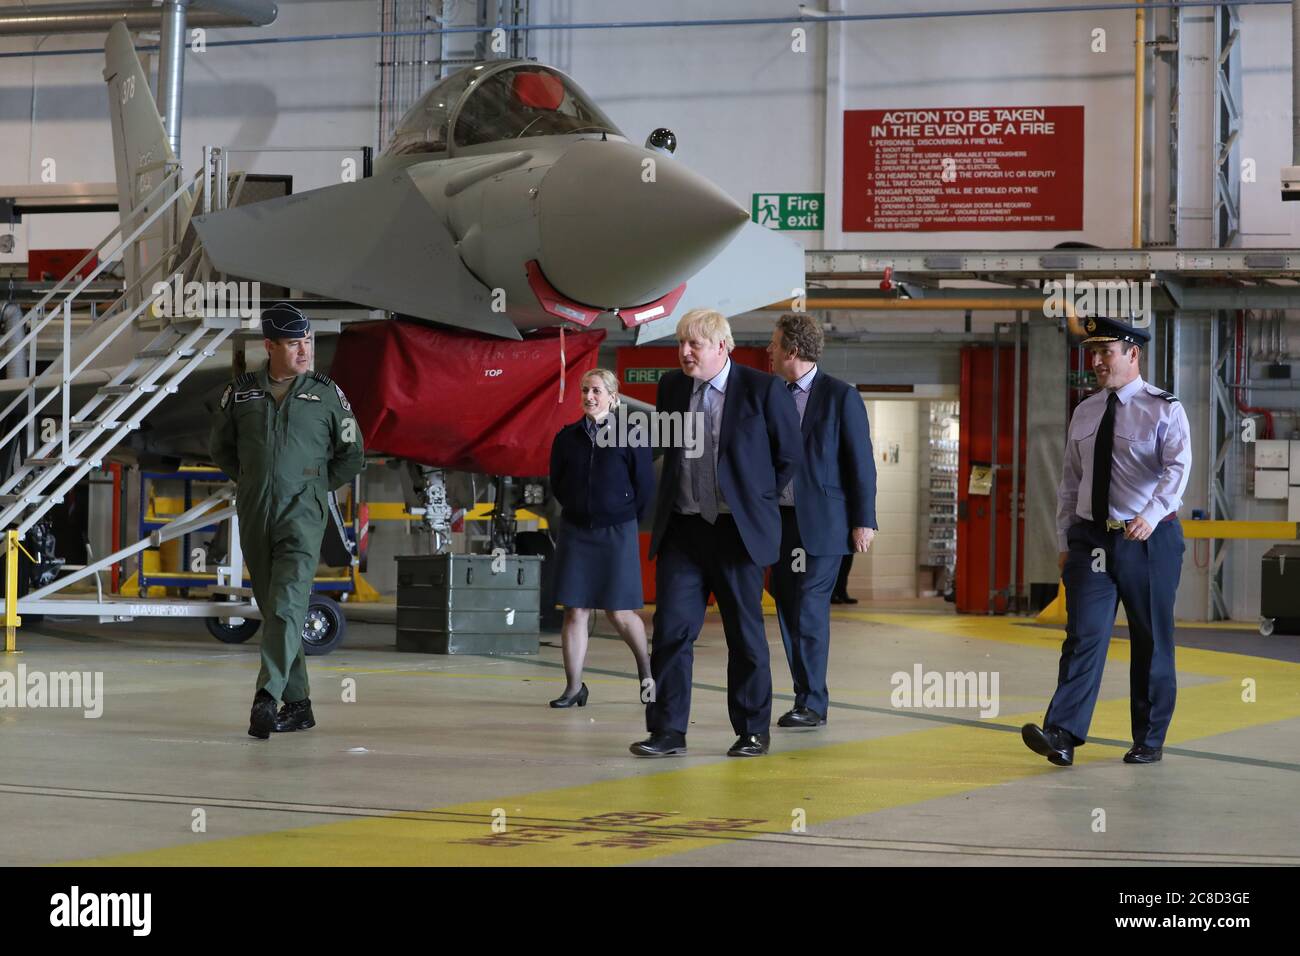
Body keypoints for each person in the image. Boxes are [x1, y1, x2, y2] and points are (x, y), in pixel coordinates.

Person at [630, 309, 802, 758]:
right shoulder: (671, 388)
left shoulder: (763, 390)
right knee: (670, 632)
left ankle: (751, 731)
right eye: (681, 344)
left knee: (744, 636)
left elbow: (789, 457)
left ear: (721, 347)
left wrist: (754, 499)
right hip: (684, 529)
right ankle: (667, 731)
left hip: (736, 532)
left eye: (695, 345)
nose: (685, 352)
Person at [1022, 316, 1190, 767]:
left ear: (1133, 354)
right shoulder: (1086, 410)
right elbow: (1070, 482)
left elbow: (1177, 469)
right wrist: (1064, 538)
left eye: (1106, 352)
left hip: (1147, 540)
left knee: (1150, 639)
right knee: (1083, 635)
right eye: (1093, 353)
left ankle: (1149, 738)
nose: (1096, 361)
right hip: (1091, 539)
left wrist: (1150, 516)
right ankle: (1061, 733)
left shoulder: (1164, 408)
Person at [208, 302, 366, 739]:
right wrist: (253, 481)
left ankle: (266, 695)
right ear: (270, 346)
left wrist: (313, 488)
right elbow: (221, 449)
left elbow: (353, 455)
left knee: (287, 603)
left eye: (308, 342)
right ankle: (299, 705)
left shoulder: (327, 394)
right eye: (295, 343)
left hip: (303, 512)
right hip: (256, 508)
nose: (304, 351)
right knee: (276, 610)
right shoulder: (240, 393)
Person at [766, 313, 877, 729]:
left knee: (809, 608)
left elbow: (861, 463)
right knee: (787, 604)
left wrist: (864, 520)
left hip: (825, 525)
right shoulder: (771, 394)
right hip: (780, 524)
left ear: (793, 350)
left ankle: (812, 702)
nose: (769, 350)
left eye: (775, 344)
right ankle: (804, 694)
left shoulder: (840, 397)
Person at [547, 368, 654, 707]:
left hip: (617, 529)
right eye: (584, 391)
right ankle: (574, 687)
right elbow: (558, 483)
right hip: (577, 530)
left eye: (595, 390)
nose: (589, 397)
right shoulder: (567, 438)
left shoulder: (631, 435)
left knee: (619, 612)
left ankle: (647, 672)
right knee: (574, 610)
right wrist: (581, 508)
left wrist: (618, 513)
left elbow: (645, 487)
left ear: (612, 396)